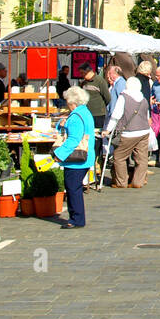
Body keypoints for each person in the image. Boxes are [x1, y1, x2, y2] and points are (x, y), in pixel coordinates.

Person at [52, 85, 95, 228]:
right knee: (74, 188)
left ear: (72, 102)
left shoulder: (76, 116)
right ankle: (77, 218)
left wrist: (59, 154)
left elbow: (73, 140)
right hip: (86, 156)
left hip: (76, 159)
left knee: (73, 188)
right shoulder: (85, 112)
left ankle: (76, 219)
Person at [105, 72, 151, 188]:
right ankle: (138, 182)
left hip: (128, 132)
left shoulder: (124, 96)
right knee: (142, 158)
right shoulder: (143, 98)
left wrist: (108, 129)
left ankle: (121, 182)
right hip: (144, 131)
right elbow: (147, 115)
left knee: (119, 157)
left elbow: (116, 115)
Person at [81, 63, 110, 131]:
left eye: (83, 73)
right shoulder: (84, 83)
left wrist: (100, 107)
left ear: (89, 72)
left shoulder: (100, 81)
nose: (81, 75)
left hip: (98, 114)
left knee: (97, 134)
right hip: (87, 113)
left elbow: (108, 98)